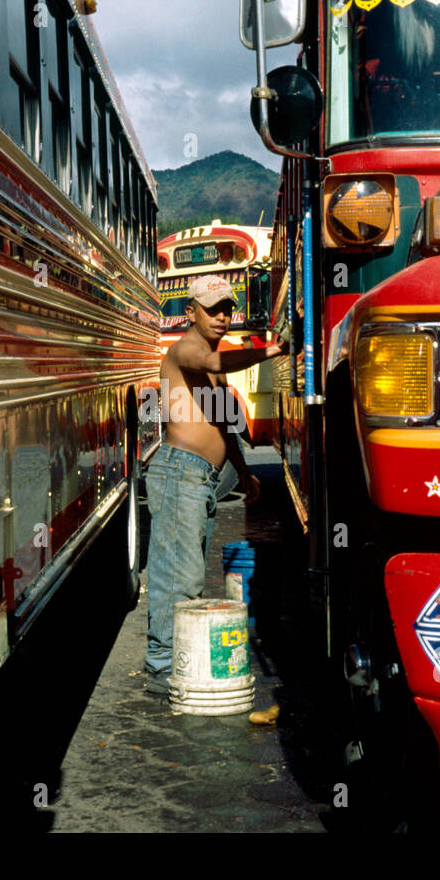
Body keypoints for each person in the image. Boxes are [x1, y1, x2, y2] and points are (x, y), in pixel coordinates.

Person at [144, 275, 287, 695]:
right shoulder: (186, 351)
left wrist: (243, 473)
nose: (223, 317)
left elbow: (226, 425)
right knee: (178, 577)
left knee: (189, 576)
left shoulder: (214, 366)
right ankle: (162, 668)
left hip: (200, 478)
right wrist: (272, 350)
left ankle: (175, 662)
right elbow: (210, 363)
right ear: (191, 312)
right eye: (213, 309)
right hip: (178, 472)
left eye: (228, 308)